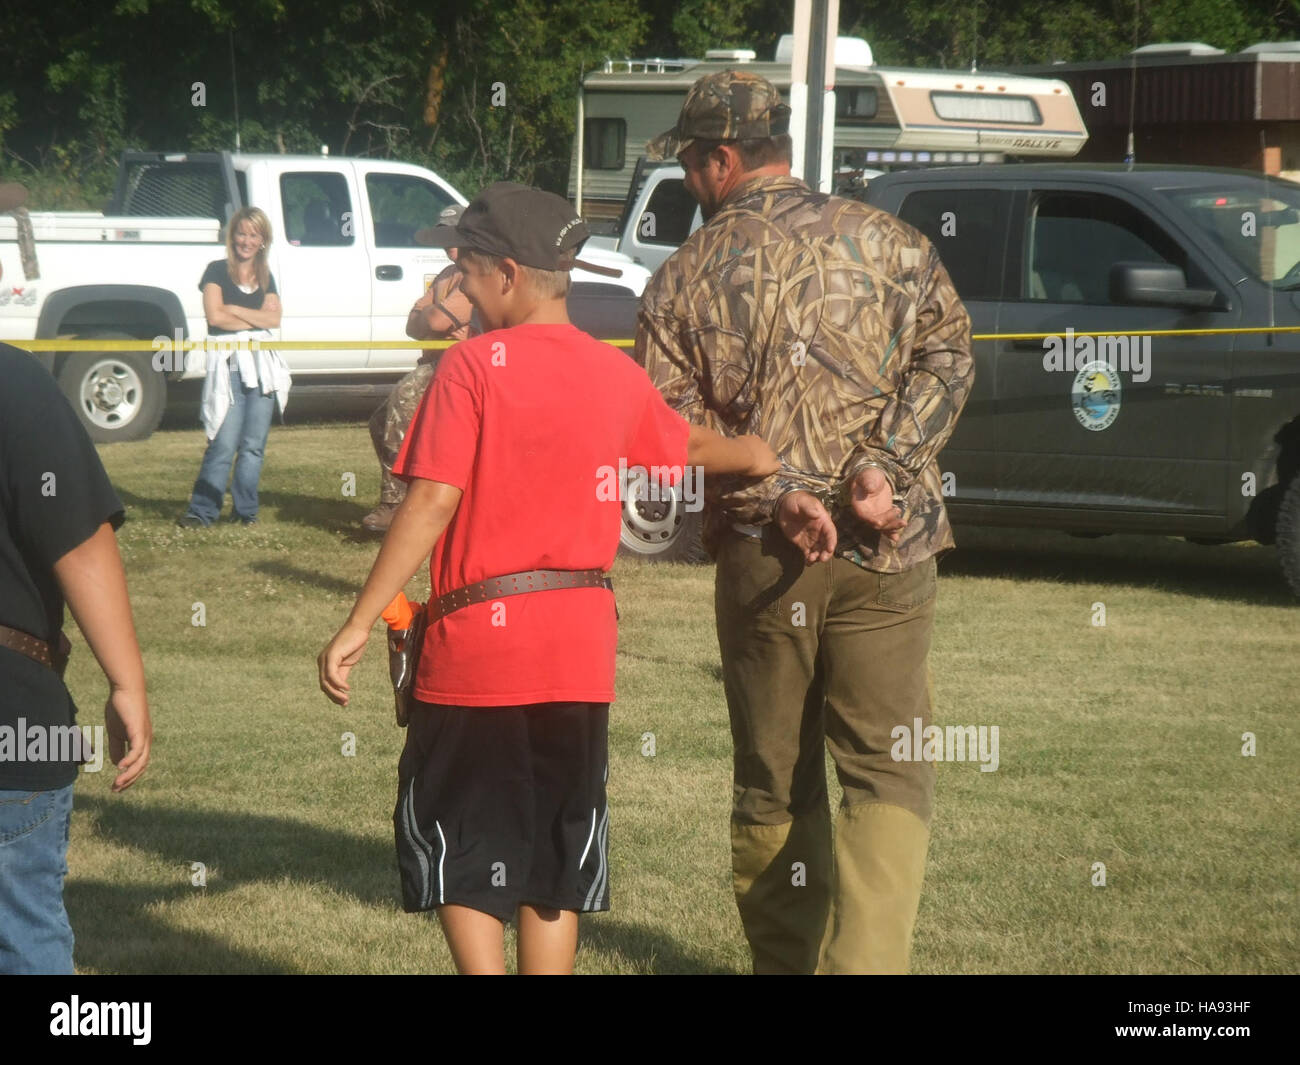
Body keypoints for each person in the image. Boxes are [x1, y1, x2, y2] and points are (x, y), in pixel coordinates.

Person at [318, 182, 778, 975]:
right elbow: (690, 447)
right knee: (555, 859)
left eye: (463, 270)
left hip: (478, 654)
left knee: (465, 845)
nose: (458, 287)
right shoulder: (612, 374)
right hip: (577, 653)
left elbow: (431, 499)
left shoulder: (470, 367)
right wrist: (760, 454)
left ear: (506, 274)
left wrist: (358, 620)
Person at [636, 71, 975, 974]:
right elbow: (950, 353)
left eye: (691, 165)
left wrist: (776, 491)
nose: (689, 183)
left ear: (720, 158)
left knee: (774, 775)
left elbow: (667, 433)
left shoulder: (680, 278)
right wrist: (883, 466)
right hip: (888, 545)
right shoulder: (893, 240)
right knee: (887, 768)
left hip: (765, 552)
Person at [0, 280, 153, 971]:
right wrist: (127, 681)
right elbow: (78, 539)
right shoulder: (15, 384)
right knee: (23, 933)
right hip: (13, 717)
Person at [362, 205, 475, 533]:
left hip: (455, 362)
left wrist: (431, 318)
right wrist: (431, 319)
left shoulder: (475, 274)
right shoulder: (445, 275)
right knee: (380, 421)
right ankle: (410, 497)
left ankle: (396, 505)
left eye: (452, 234)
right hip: (433, 360)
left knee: (403, 400)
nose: (446, 242)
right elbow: (414, 325)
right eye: (442, 235)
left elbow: (434, 319)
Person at [177, 206, 289, 528]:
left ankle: (245, 513)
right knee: (223, 443)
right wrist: (254, 320)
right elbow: (215, 318)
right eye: (242, 233)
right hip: (229, 366)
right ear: (233, 236)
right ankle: (202, 512)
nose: (246, 240)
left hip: (262, 366)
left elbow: (274, 320)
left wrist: (235, 309)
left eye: (254, 235)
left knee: (253, 447)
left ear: (263, 240)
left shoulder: (266, 277)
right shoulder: (215, 271)